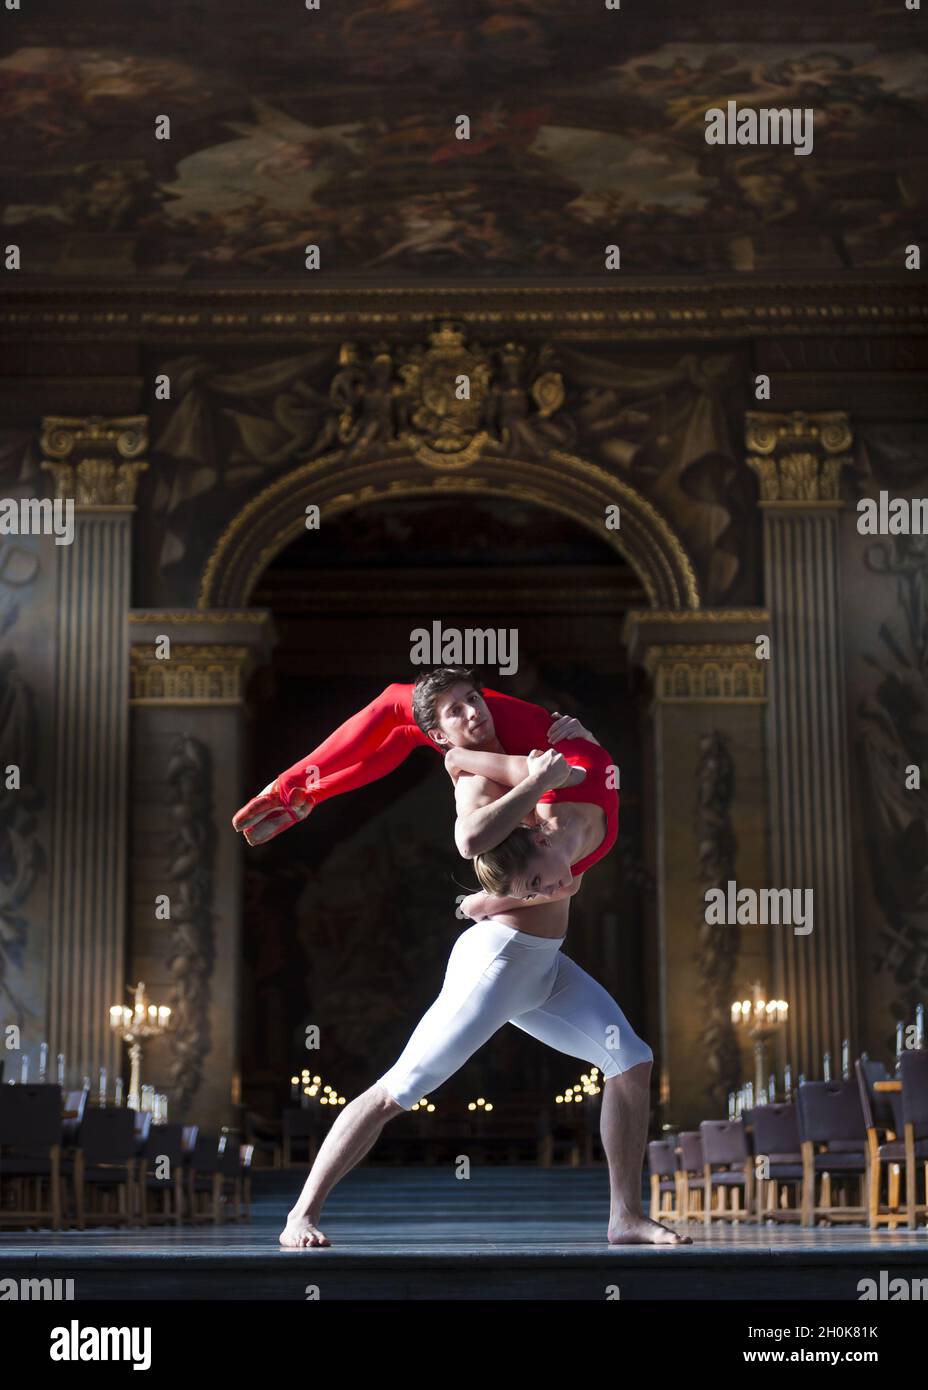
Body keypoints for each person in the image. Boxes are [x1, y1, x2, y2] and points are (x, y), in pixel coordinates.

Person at [235, 668, 685, 1249]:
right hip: (496, 964)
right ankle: (300, 1215)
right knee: (397, 1090)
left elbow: (564, 837)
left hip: (544, 968)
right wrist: (534, 788)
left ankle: (624, 1216)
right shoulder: (472, 779)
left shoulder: (522, 756)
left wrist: (561, 760)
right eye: (455, 711)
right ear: (440, 738)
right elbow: (470, 840)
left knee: (631, 1061)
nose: (473, 712)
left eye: (474, 699)